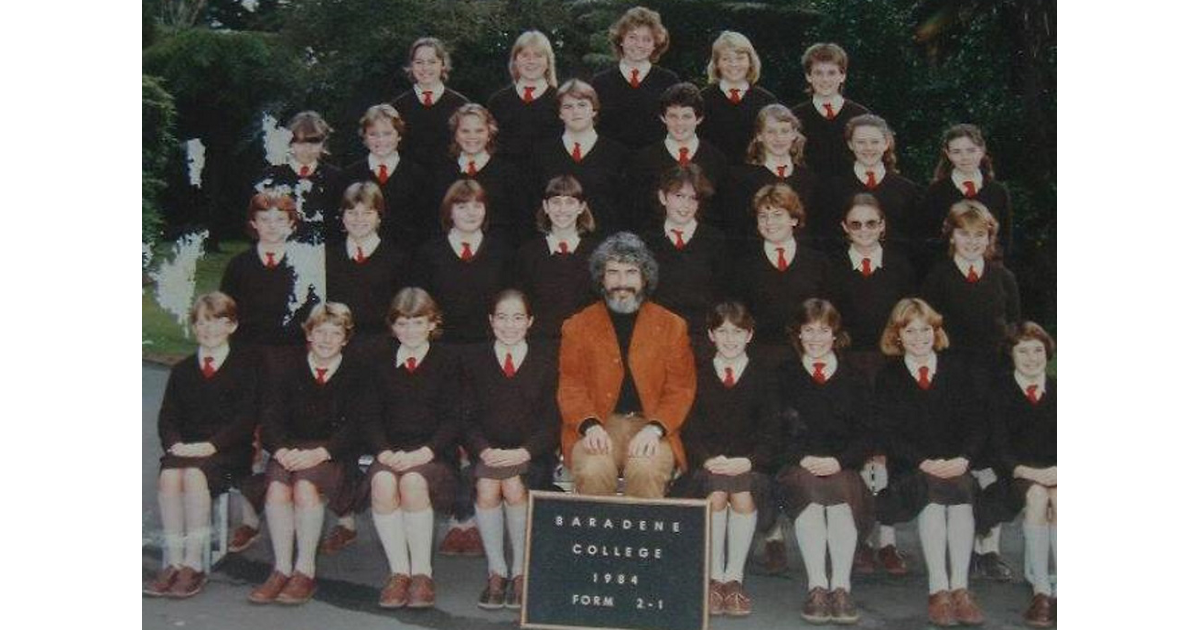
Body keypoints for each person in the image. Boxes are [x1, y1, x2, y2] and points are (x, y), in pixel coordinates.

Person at [558, 232, 697, 498]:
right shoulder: (576, 326)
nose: (622, 282)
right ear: (602, 277)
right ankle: (596, 541)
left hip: (651, 425)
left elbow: (680, 389)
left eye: (631, 272)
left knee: (645, 470)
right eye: (613, 272)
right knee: (592, 469)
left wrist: (655, 429)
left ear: (645, 278)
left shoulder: (672, 326)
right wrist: (589, 425)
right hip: (597, 423)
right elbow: (571, 386)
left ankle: (641, 542)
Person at [874, 298, 986, 627]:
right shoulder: (889, 376)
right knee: (935, 500)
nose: (919, 337)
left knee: (961, 495)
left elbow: (978, 423)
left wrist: (964, 459)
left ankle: (961, 589)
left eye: (926, 330)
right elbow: (887, 431)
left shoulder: (958, 370)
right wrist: (923, 462)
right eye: (910, 330)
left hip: (956, 466)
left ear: (936, 332)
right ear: (897, 335)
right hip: (912, 470)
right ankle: (938, 589)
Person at [145, 292, 259, 599]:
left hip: (226, 451)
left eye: (218, 322)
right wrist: (175, 445)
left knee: (194, 477)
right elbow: (167, 417)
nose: (209, 330)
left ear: (232, 326)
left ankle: (194, 563)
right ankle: (175, 560)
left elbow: (245, 419)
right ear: (194, 327)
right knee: (170, 477)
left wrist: (211, 446)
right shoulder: (182, 370)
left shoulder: (245, 367)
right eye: (202, 322)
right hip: (185, 449)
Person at [249, 303, 363, 605]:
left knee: (304, 487)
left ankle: (305, 570)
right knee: (275, 489)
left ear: (346, 338)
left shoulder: (356, 373)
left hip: (332, 454)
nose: (326, 339)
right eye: (320, 332)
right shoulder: (287, 369)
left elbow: (355, 426)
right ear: (309, 335)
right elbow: (270, 419)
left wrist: (322, 453)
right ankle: (281, 568)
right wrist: (282, 450)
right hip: (291, 450)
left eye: (335, 333)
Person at [676, 301, 779, 617]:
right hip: (706, 469)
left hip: (751, 468)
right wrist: (707, 459)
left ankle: (734, 579)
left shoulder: (764, 375)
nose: (730, 339)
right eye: (722, 331)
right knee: (718, 489)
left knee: (742, 489)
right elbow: (689, 427)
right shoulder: (697, 373)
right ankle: (713, 577)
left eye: (737, 332)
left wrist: (749, 461)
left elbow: (772, 430)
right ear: (710, 335)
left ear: (749, 335)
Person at [361, 288, 461, 609]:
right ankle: (399, 573)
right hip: (391, 451)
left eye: (418, 323)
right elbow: (369, 415)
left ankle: (422, 574)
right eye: (402, 324)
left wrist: (425, 453)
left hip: (433, 455)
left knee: (413, 482)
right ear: (392, 327)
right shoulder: (378, 362)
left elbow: (455, 417)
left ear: (433, 323)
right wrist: (383, 452)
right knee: (382, 481)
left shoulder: (448, 361)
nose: (410, 332)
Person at [461, 290, 561, 610]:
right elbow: (465, 417)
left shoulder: (546, 360)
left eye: (518, 317)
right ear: (491, 321)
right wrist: (482, 450)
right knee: (488, 485)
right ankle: (497, 571)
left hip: (531, 456)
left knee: (514, 484)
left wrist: (525, 453)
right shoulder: (474, 359)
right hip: (489, 452)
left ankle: (520, 571)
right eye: (502, 317)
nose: (509, 325)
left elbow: (553, 421)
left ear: (530, 321)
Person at [982, 322, 1057, 628]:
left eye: (1038, 350)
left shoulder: (1061, 390)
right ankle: (1041, 590)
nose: (1031, 358)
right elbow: (996, 447)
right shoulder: (998, 391)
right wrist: (1027, 471)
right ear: (1011, 354)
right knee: (1038, 495)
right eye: (1023, 351)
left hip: (1056, 471)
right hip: (1013, 474)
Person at [731, 183, 830, 367]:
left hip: (808, 356)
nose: (769, 223)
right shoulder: (743, 265)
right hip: (759, 359)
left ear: (794, 219)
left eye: (777, 215)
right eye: (763, 216)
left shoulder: (818, 262)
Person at [921, 200, 1021, 375]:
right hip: (950, 370)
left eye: (980, 234)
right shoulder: (936, 278)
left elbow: (1013, 325)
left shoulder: (1004, 278)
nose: (972, 241)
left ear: (990, 238)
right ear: (951, 236)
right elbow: (929, 328)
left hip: (996, 370)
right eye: (964, 233)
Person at [412, 180, 514, 344]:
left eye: (477, 206)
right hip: (441, 346)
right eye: (462, 207)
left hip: (489, 347)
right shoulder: (428, 254)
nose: (471, 213)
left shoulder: (503, 253)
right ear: (449, 212)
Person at [220, 191, 316, 354]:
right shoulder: (239, 265)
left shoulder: (304, 267)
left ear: (291, 224)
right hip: (246, 352)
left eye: (280, 220)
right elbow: (225, 312)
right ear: (254, 223)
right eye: (264, 219)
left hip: (291, 354)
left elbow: (313, 316)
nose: (272, 226)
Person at [641, 164, 729, 342]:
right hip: (656, 335)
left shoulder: (715, 240)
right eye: (679, 196)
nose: (686, 205)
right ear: (662, 197)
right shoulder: (645, 241)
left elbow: (722, 295)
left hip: (702, 337)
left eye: (693, 198)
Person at [531, 79, 631, 234]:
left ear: (594, 110)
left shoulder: (618, 154)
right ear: (560, 113)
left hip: (604, 245)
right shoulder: (541, 153)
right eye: (568, 106)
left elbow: (626, 207)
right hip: (556, 243)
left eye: (582, 105)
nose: (575, 112)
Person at [629, 82, 729, 233]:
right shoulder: (645, 159)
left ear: (699, 118)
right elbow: (637, 212)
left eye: (687, 116)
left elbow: (721, 211)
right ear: (663, 118)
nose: (679, 123)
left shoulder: (716, 159)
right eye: (673, 116)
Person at [326, 181, 409, 359]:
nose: (359, 219)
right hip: (336, 347)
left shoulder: (397, 259)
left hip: (383, 349)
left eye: (367, 213)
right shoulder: (327, 258)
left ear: (379, 217)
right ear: (342, 216)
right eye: (352, 212)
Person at [486, 29, 563, 219]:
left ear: (547, 62)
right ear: (515, 60)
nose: (531, 61)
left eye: (538, 55)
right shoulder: (498, 101)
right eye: (525, 55)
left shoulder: (560, 100)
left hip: (548, 188)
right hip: (505, 188)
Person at [918, 123, 1013, 276]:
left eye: (971, 150)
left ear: (982, 150)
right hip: (947, 275)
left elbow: (1005, 239)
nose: (965, 157)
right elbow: (925, 238)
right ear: (948, 154)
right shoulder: (936, 192)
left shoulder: (997, 192)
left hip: (988, 273)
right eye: (957, 152)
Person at [819, 114, 920, 255]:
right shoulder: (831, 189)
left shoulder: (906, 189)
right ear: (850, 144)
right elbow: (825, 238)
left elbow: (914, 239)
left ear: (886, 144)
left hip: (896, 271)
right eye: (861, 142)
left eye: (874, 142)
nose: (868, 148)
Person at [515, 175, 601, 340]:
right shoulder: (527, 254)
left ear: (581, 207)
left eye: (570, 202)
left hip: (585, 345)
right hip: (538, 344)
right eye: (555, 202)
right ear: (545, 206)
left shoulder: (599, 254)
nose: (562, 209)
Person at [726, 104, 817, 254]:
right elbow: (736, 229)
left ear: (794, 134)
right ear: (759, 136)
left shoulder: (809, 179)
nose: (778, 138)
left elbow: (812, 229)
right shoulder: (739, 178)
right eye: (771, 131)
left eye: (784, 131)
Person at [341, 104, 431, 251]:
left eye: (387, 133)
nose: (380, 140)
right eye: (373, 134)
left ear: (399, 135)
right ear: (364, 137)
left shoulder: (418, 175)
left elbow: (426, 224)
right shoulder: (350, 176)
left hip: (408, 257)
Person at [591, 5, 680, 151]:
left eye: (647, 39)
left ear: (655, 45)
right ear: (621, 40)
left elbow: (678, 127)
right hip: (612, 166)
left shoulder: (669, 81)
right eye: (632, 37)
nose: (639, 44)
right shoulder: (600, 82)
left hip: (656, 165)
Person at [431, 104, 523, 243]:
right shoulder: (441, 172)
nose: (472, 136)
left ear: (489, 134)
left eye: (479, 130)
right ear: (455, 134)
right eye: (465, 131)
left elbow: (520, 222)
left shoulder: (509, 173)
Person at [254, 111, 343, 245]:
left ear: (323, 142)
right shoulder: (271, 177)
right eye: (299, 141)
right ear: (289, 142)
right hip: (281, 252)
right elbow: (258, 222)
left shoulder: (336, 178)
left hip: (324, 254)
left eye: (314, 141)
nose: (307, 148)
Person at [698, 31, 778, 166]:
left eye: (740, 58)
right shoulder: (702, 99)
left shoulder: (766, 101)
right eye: (726, 59)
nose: (733, 64)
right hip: (712, 178)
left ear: (750, 62)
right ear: (717, 63)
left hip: (755, 177)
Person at [391, 37, 471, 172]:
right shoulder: (397, 107)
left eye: (432, 62)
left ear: (443, 65)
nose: (425, 68)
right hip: (409, 183)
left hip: (450, 183)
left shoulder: (461, 105)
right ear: (411, 66)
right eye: (419, 62)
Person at [791, 43, 870, 178]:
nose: (825, 79)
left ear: (842, 76)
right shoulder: (795, 116)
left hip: (850, 191)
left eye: (831, 73)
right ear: (808, 76)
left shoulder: (860, 115)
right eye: (818, 73)